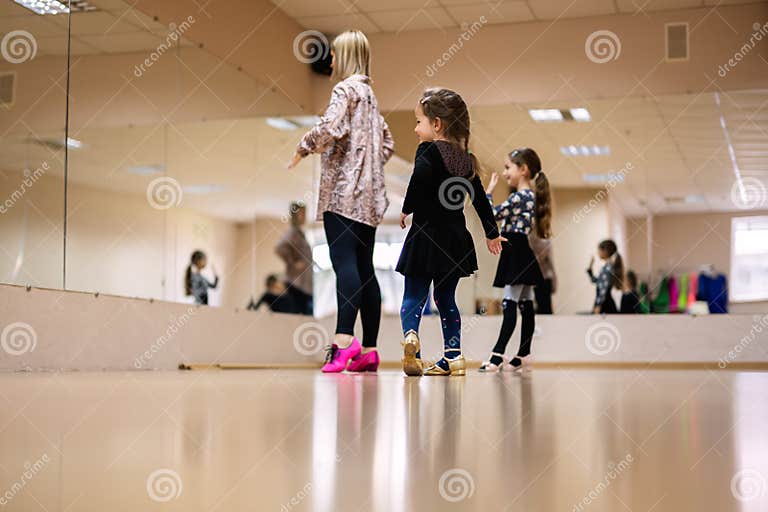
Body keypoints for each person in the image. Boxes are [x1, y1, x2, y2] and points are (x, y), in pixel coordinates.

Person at [287, 30, 394, 373]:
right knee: (365, 269)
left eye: (334, 54)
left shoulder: (344, 90)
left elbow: (329, 127)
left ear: (345, 56)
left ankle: (344, 342)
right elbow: (388, 143)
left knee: (344, 264)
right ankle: (370, 350)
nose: (330, 60)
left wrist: (303, 147)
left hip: (343, 196)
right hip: (370, 199)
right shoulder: (371, 97)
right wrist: (367, 166)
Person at [397, 88, 505, 377]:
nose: (415, 128)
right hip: (455, 240)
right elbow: (480, 199)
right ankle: (454, 357)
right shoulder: (465, 159)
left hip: (425, 235)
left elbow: (419, 178)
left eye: (418, 121)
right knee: (446, 300)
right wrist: (491, 233)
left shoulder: (427, 151)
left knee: (414, 296)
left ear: (437, 124)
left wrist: (407, 208)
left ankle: (411, 338)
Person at [478, 148, 553, 373]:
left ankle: (497, 355)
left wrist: (488, 192)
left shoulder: (519, 197)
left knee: (509, 302)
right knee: (526, 302)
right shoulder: (530, 196)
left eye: (508, 167)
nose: (504, 172)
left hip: (516, 250)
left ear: (523, 170)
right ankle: (523, 354)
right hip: (520, 249)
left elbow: (491, 215)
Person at [275, 201, 314, 315]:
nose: (305, 216)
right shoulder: (292, 232)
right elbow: (280, 248)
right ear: (296, 214)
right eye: (302, 213)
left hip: (304, 285)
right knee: (298, 316)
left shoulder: (300, 233)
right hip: (296, 284)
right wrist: (293, 262)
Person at [586, 239, 624, 314]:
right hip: (604, 302)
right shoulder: (607, 267)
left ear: (605, 251)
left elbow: (603, 289)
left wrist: (599, 305)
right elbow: (597, 282)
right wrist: (590, 268)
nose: (598, 253)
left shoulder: (608, 268)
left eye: (599, 250)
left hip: (605, 304)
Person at [529, 232, 556, 314]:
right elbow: (550, 263)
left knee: (543, 307)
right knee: (543, 307)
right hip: (540, 278)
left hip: (542, 278)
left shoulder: (532, 240)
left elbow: (550, 263)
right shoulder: (533, 239)